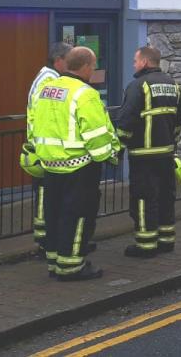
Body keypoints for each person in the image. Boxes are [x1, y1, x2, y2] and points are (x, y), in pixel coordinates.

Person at [28, 46, 120, 280]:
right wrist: (110, 155)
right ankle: (71, 267)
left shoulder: (46, 90)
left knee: (54, 215)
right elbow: (96, 135)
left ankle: (54, 262)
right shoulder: (85, 93)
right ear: (87, 67)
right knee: (78, 217)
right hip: (79, 168)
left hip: (50, 165)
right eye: (94, 66)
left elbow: (35, 124)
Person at [114, 46, 181, 258]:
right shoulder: (173, 85)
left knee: (144, 199)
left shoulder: (138, 86)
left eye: (136, 61)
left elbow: (126, 121)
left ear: (144, 62)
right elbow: (178, 122)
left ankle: (146, 244)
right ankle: (166, 240)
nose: (134, 65)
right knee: (165, 196)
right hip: (166, 154)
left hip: (143, 155)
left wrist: (118, 147)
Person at [25, 42, 72, 256]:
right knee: (46, 197)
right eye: (69, 60)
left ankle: (47, 239)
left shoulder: (47, 78)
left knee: (46, 196)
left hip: (44, 147)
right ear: (59, 60)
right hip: (46, 150)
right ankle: (46, 241)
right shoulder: (49, 80)